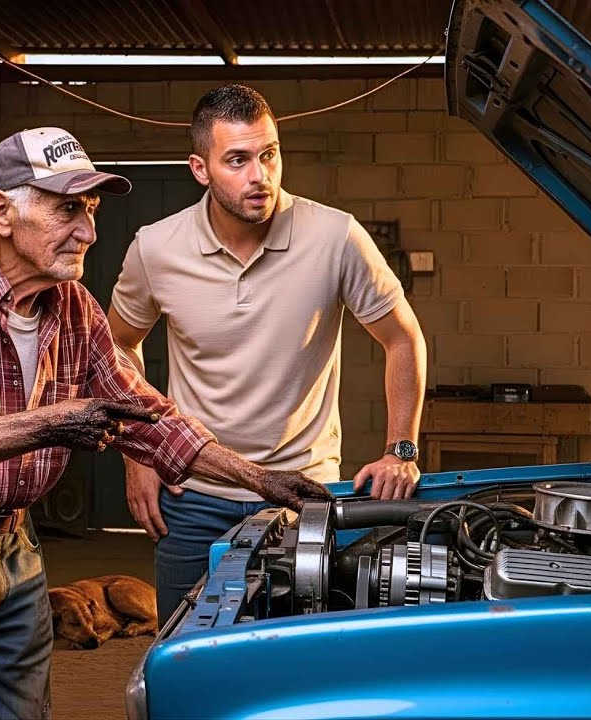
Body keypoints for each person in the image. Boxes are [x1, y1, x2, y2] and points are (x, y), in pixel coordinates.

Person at [0, 126, 333, 720]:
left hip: (12, 548)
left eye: (92, 210)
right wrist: (51, 423)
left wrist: (259, 479)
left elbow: (146, 417)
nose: (89, 231)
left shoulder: (73, 306)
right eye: (68, 208)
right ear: (2, 212)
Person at [108, 85, 428, 621]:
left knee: (294, 668)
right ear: (200, 168)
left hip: (303, 492)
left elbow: (402, 337)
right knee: (184, 663)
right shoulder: (155, 248)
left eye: (269, 154)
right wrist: (139, 452)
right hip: (194, 497)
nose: (260, 175)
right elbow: (118, 344)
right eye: (237, 160)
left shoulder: (335, 236)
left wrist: (402, 449)